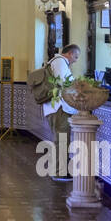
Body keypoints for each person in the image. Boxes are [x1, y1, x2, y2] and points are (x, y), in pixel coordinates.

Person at [43, 43, 81, 181]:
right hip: (59, 108)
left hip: (55, 107)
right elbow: (67, 84)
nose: (75, 60)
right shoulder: (60, 62)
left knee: (60, 139)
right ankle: (60, 172)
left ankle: (59, 170)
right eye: (76, 56)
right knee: (62, 139)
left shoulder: (55, 62)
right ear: (69, 53)